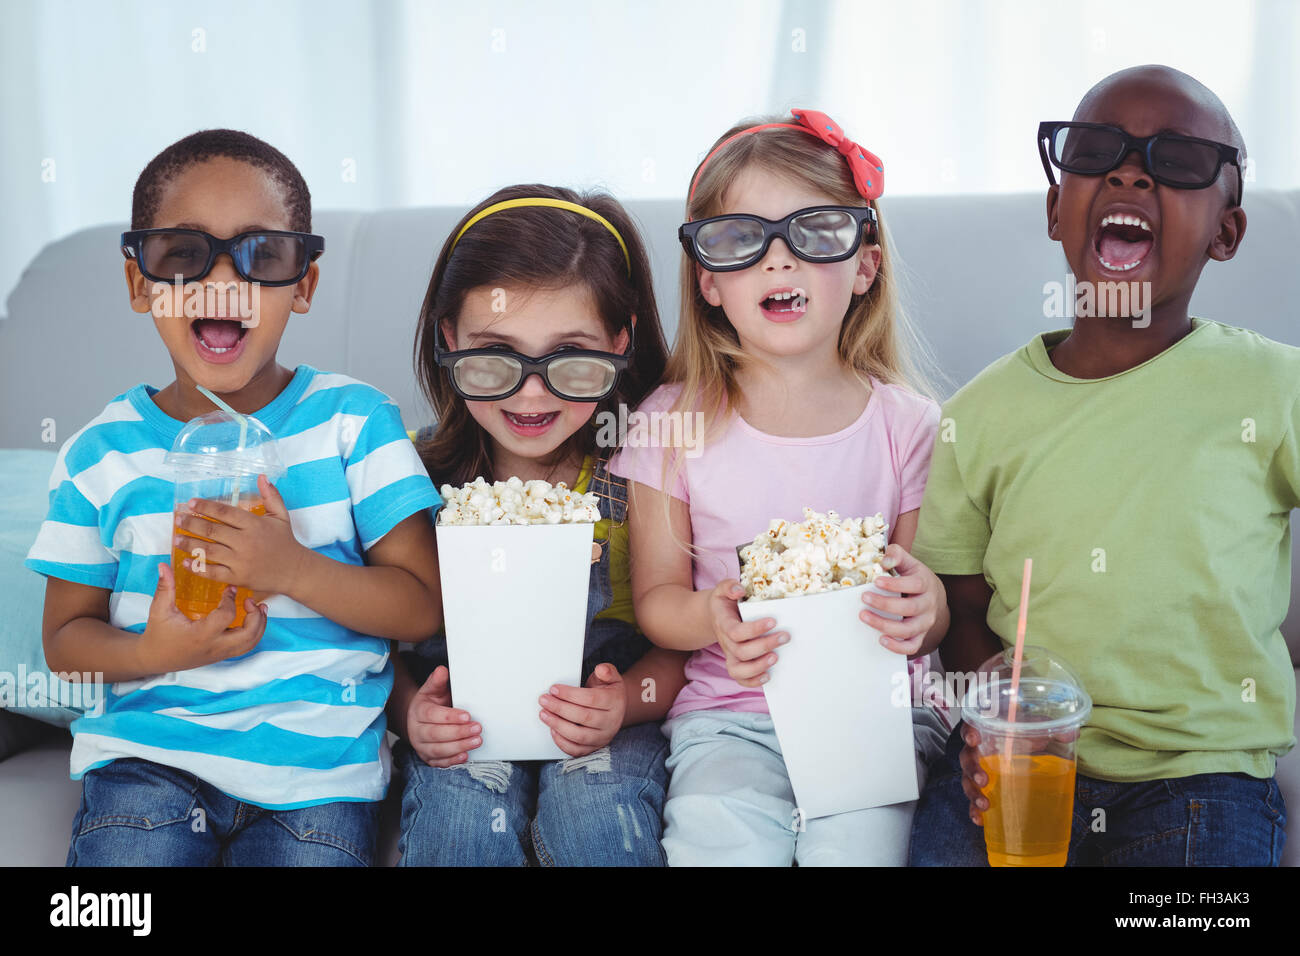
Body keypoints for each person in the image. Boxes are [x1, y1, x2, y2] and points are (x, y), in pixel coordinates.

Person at [25, 129, 443, 866]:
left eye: (262, 255)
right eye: (181, 254)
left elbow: (421, 605)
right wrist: (155, 649)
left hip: (316, 780)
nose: (222, 283)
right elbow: (64, 644)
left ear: (305, 283)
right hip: (146, 767)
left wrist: (293, 570)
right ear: (137, 283)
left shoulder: (355, 423)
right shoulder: (99, 453)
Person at [908, 65, 1292, 866]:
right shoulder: (978, 415)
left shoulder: (1274, 387)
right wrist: (989, 724)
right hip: (1021, 764)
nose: (1129, 171)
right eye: (1094, 151)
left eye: (1177, 159)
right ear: (1057, 210)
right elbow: (964, 611)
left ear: (1226, 232)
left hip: (1199, 779)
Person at [613, 110, 950, 866]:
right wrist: (711, 615)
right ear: (707, 280)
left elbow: (926, 605)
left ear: (865, 266)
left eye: (816, 233)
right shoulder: (672, 423)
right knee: (713, 827)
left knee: (860, 845)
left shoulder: (911, 425)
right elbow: (659, 602)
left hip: (875, 712)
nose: (778, 262)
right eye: (741, 239)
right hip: (732, 713)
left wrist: (924, 610)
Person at [389, 184, 686, 866]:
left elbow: (685, 642)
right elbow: (372, 646)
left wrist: (628, 705)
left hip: (610, 716)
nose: (531, 392)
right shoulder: (407, 473)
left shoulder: (648, 468)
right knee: (458, 830)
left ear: (620, 343)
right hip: (463, 719)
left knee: (597, 824)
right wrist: (409, 712)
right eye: (495, 353)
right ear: (449, 339)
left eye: (570, 358)